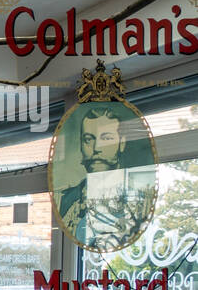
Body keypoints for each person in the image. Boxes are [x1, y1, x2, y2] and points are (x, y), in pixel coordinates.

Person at [56, 107, 154, 251]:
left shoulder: (139, 199)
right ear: (81, 146)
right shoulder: (65, 199)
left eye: (106, 138)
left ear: (122, 144)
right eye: (88, 140)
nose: (96, 148)